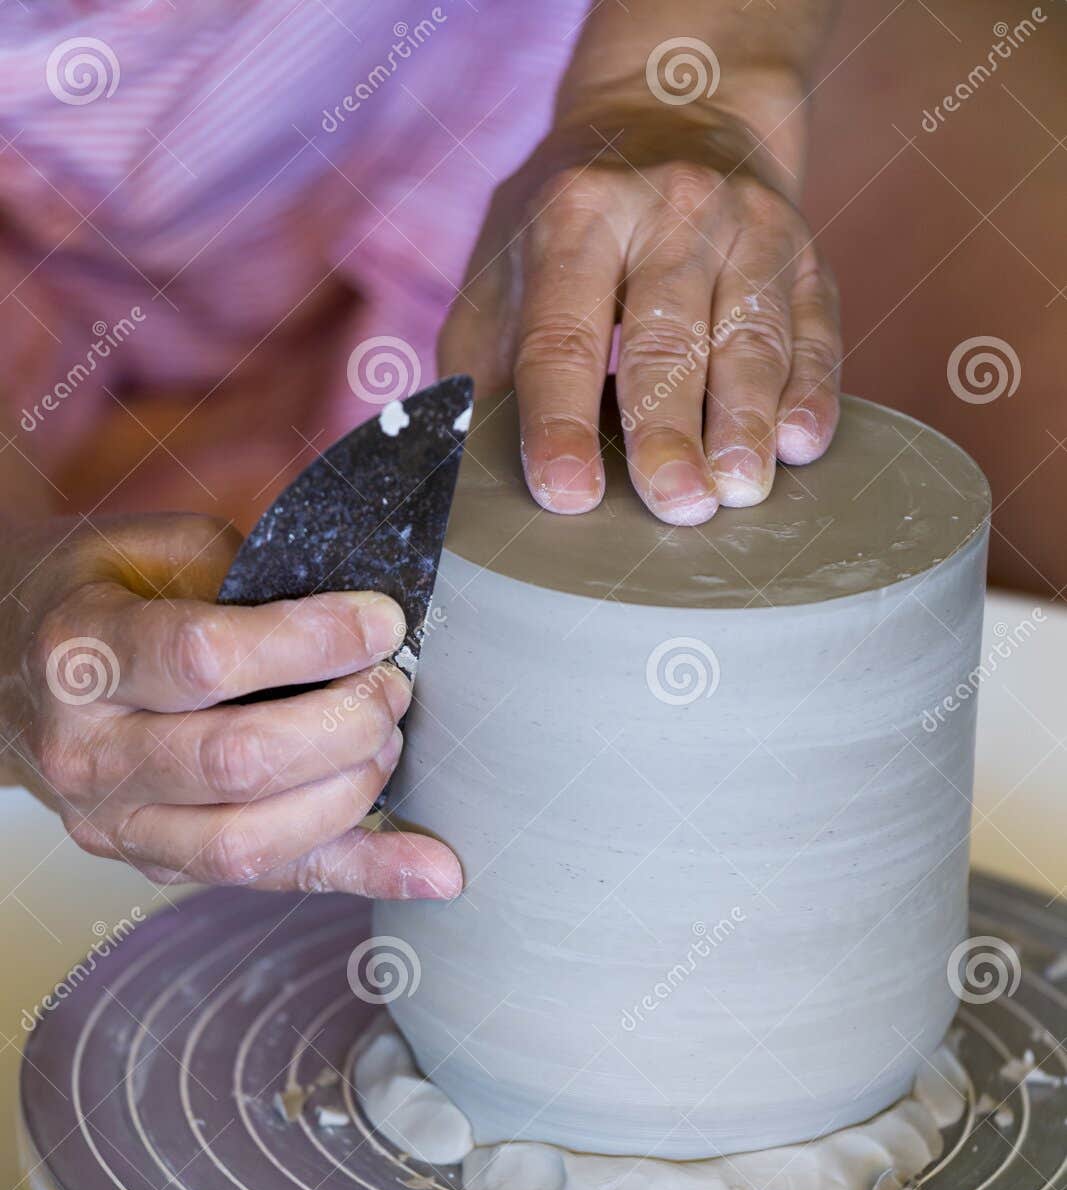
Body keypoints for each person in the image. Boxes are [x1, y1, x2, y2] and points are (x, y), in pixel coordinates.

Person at [3, 0, 1028, 899]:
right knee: (135, 695)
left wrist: (680, 88)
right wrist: (14, 635)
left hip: (543, 75)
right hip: (42, 249)